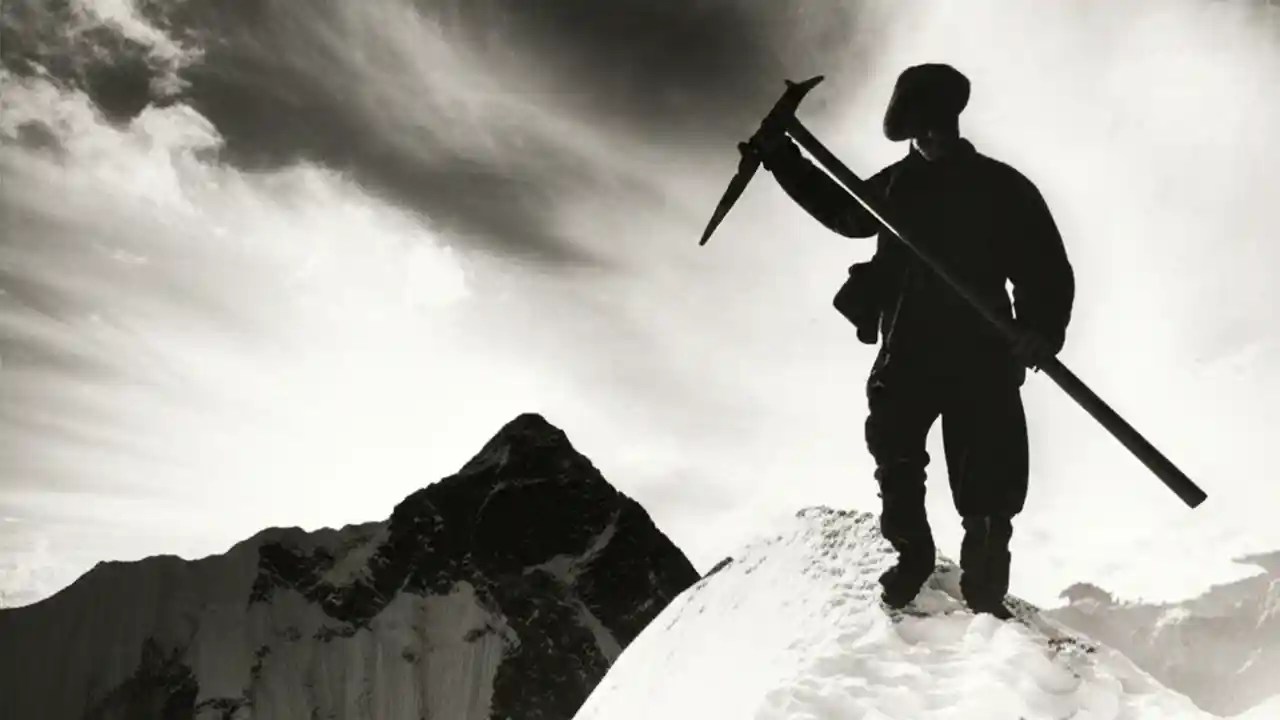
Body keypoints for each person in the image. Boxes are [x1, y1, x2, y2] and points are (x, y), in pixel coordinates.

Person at [743, 63, 1074, 618]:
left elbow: (1045, 266)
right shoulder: (896, 185)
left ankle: (986, 589)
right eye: (918, 129)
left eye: (934, 125)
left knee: (990, 471)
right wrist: (781, 156)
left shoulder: (1000, 186)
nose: (927, 137)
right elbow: (846, 214)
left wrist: (1041, 330)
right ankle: (913, 555)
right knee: (893, 453)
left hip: (982, 350)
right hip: (909, 347)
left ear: (952, 119)